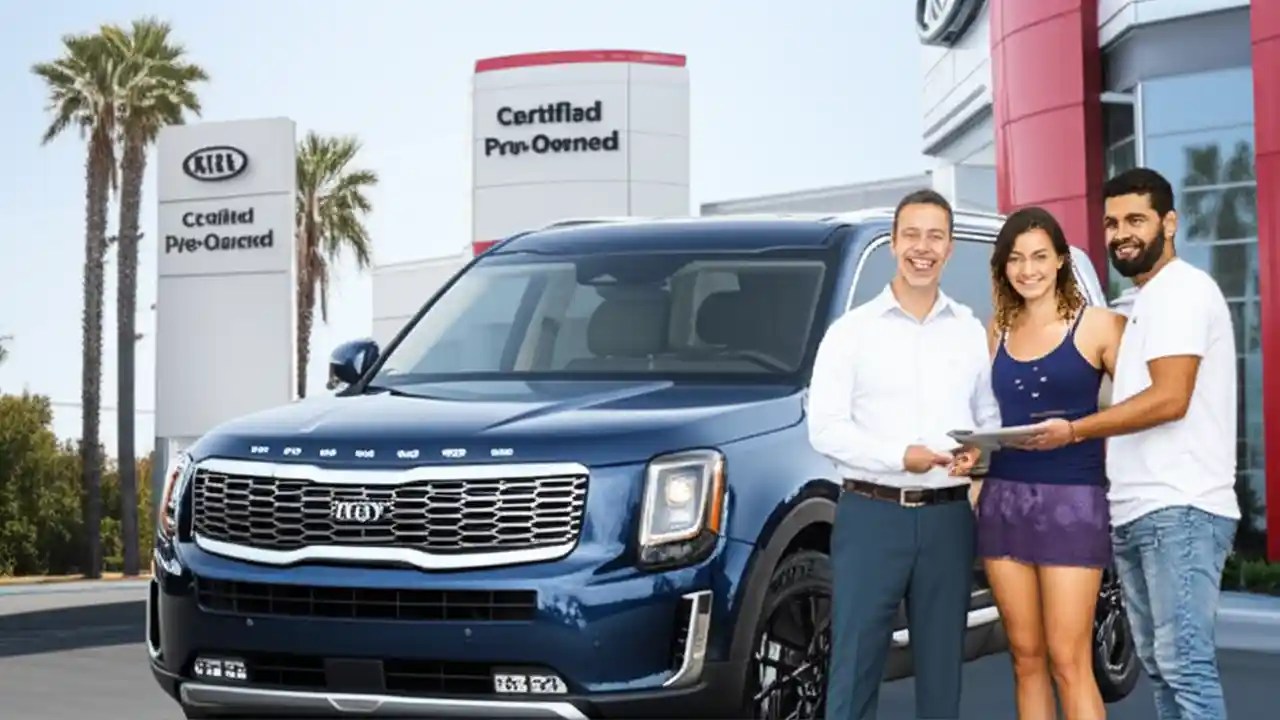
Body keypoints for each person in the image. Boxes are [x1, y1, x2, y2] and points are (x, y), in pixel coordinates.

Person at [1025, 167, 1240, 720]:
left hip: (1182, 506)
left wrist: (1073, 432)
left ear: (1169, 223)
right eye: (1112, 222)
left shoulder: (1182, 291)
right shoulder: (1139, 303)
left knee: (1185, 665)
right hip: (1140, 508)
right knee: (1161, 666)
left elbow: (1171, 398)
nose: (1122, 232)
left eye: (1136, 219)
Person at [808, 188, 998, 720]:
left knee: (942, 676)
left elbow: (987, 418)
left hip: (948, 520)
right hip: (872, 516)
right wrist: (900, 455)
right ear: (893, 243)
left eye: (935, 236)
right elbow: (824, 430)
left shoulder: (966, 331)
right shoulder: (850, 334)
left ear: (950, 248)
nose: (923, 247)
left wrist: (976, 455)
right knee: (854, 668)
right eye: (911, 235)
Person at [975, 206, 1126, 720]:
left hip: (1072, 504)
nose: (1028, 269)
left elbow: (1146, 407)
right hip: (1003, 501)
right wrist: (969, 454)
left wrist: (1081, 430)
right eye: (1015, 258)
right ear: (1004, 267)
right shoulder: (996, 328)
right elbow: (988, 417)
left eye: (1040, 256)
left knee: (1069, 661)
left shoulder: (1101, 326)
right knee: (1026, 659)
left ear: (1061, 260)